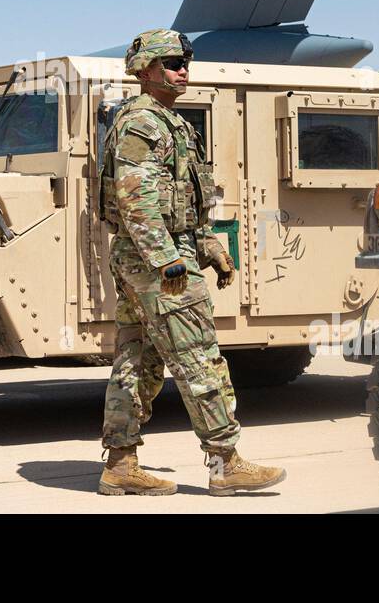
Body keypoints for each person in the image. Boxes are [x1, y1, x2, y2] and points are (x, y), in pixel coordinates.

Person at [97, 29, 285, 496]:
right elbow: (136, 200)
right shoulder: (143, 122)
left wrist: (211, 247)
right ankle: (225, 461)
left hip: (158, 252)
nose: (184, 69)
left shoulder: (173, 123)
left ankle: (120, 463)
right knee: (198, 355)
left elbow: (186, 198)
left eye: (187, 61)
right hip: (156, 258)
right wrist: (168, 261)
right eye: (174, 62)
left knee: (136, 359)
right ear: (146, 70)